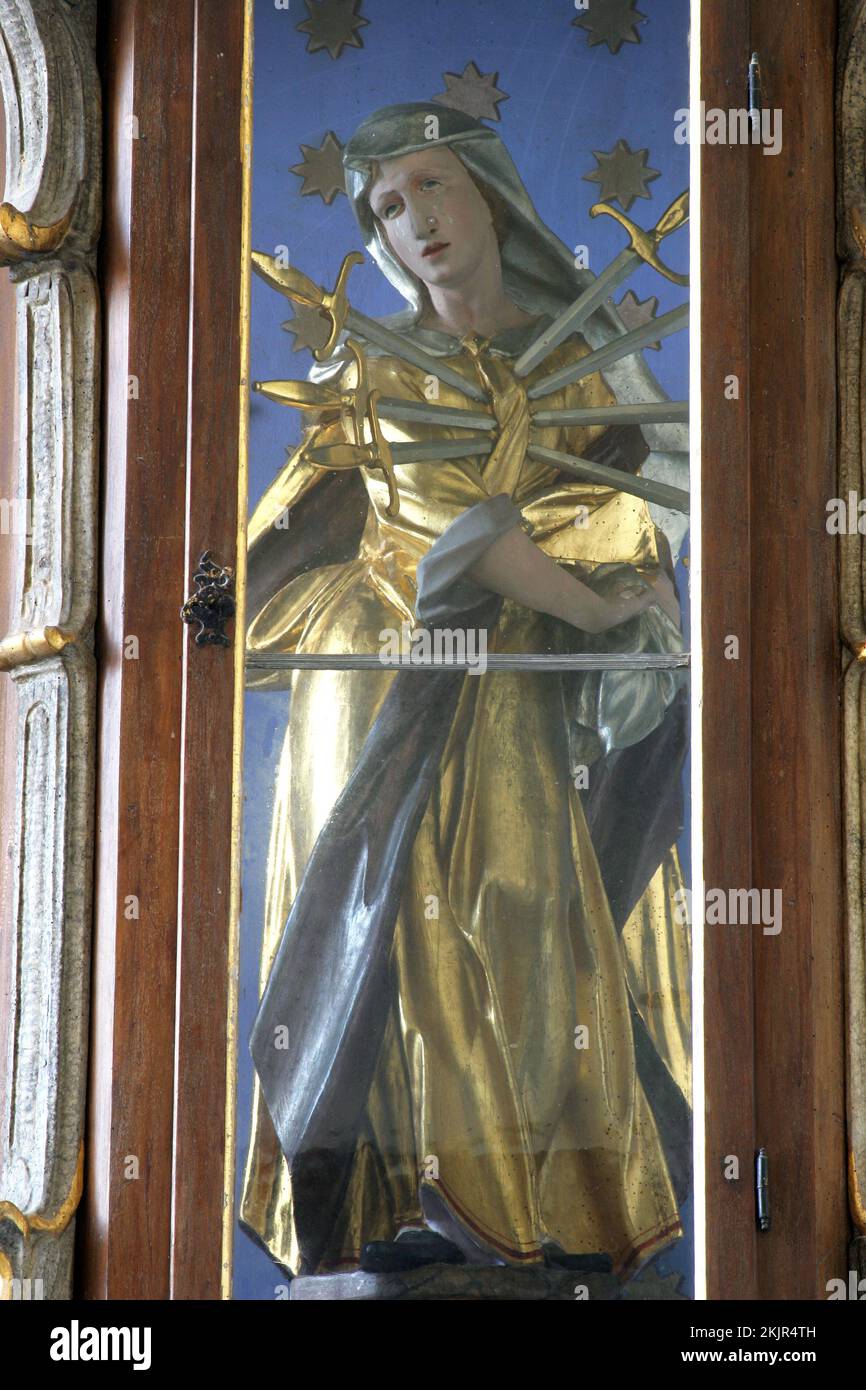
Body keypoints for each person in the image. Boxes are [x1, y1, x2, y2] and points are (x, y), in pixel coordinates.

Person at [240, 103, 692, 1283]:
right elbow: (441, 534)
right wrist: (580, 593)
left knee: (530, 914)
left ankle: (541, 1212)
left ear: (485, 192)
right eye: (386, 206)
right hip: (398, 677)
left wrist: (620, 593)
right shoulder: (378, 365)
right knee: (398, 924)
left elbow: (646, 512)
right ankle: (405, 1199)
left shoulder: (579, 355)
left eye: (431, 187)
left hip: (547, 699)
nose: (414, 221)